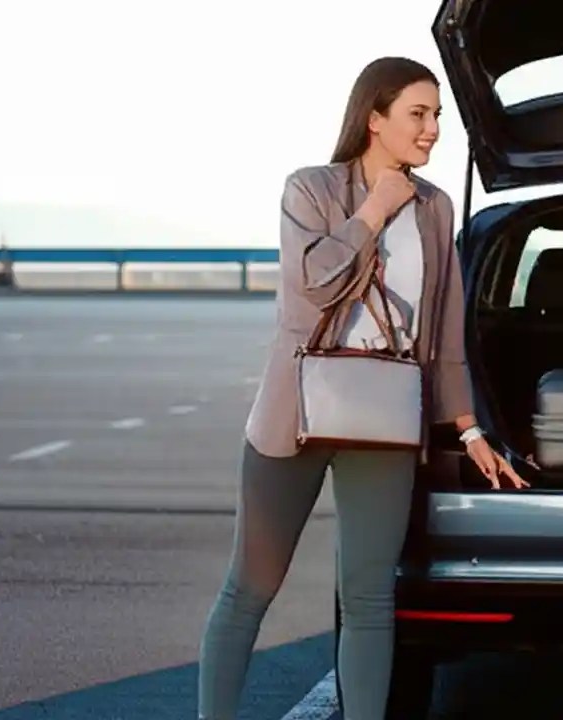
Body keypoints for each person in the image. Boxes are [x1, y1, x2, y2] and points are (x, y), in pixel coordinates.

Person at [197, 57, 528, 720]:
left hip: (386, 417)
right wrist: (374, 209)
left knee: (371, 599)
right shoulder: (311, 189)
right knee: (250, 588)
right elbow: (315, 283)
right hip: (293, 416)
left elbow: (444, 331)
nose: (433, 129)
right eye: (418, 114)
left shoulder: (436, 207)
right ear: (374, 118)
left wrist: (468, 428)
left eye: (437, 115)